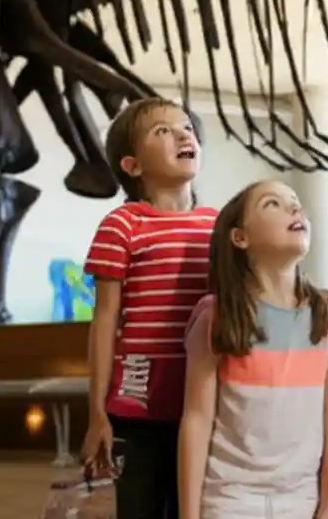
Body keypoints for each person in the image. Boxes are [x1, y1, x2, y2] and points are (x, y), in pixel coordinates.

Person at [177, 179, 328, 519]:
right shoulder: (217, 316)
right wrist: (189, 514)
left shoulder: (326, 316)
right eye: (273, 203)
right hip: (230, 498)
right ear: (240, 237)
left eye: (295, 201)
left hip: (301, 497)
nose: (294, 208)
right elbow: (196, 419)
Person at [79, 97, 217, 519]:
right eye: (162, 131)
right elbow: (104, 320)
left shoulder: (220, 224)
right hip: (139, 402)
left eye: (186, 128)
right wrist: (97, 413)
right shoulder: (122, 224)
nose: (183, 134)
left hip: (206, 398)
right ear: (132, 166)